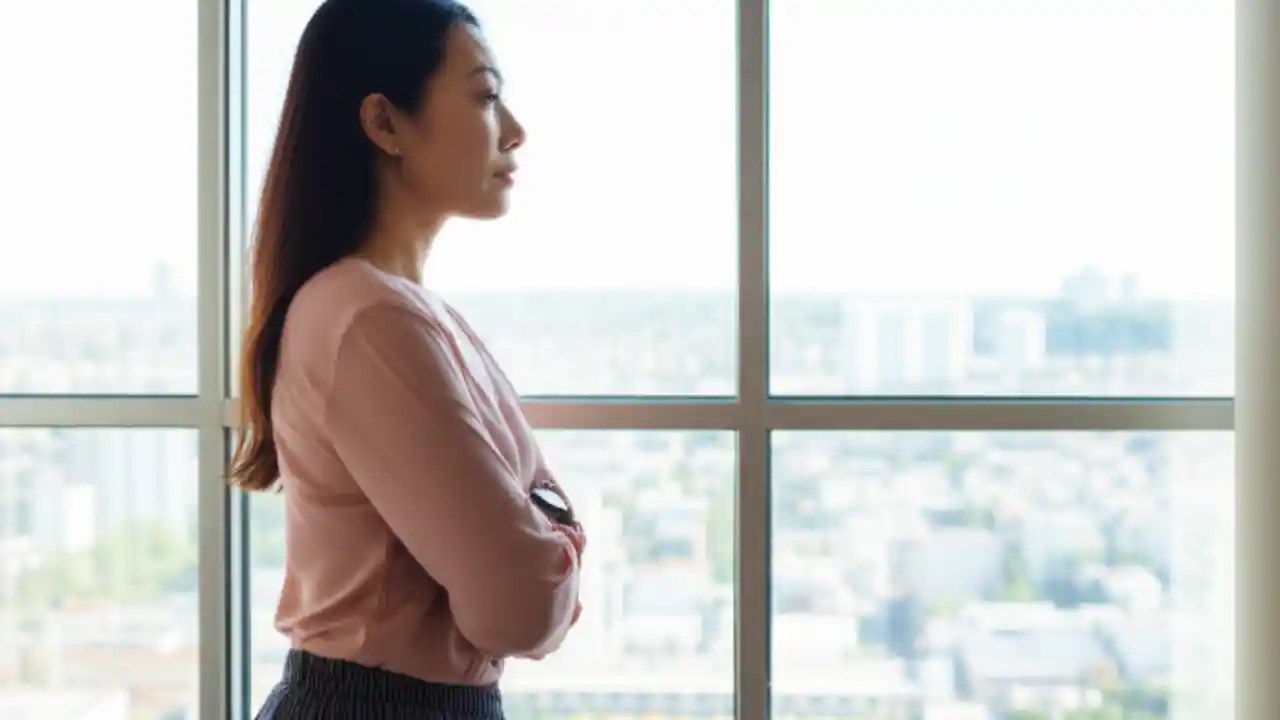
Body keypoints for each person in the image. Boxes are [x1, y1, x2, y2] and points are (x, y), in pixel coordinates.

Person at [229, 1, 586, 717]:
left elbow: (524, 583)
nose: (514, 130)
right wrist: (566, 537)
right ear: (385, 123)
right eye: (486, 96)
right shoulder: (370, 320)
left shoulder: (400, 313)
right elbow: (518, 608)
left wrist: (546, 535)